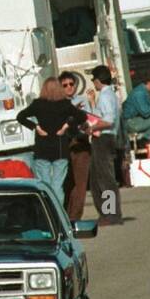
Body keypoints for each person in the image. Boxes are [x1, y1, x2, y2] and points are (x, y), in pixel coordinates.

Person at [17, 76, 88, 200]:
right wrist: (66, 126)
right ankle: (58, 214)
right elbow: (82, 116)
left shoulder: (37, 104)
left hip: (42, 148)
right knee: (57, 185)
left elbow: (20, 116)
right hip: (60, 148)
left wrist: (36, 127)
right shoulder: (65, 104)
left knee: (45, 185)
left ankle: (48, 213)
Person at [88, 65, 123, 225]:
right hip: (104, 138)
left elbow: (108, 120)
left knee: (105, 178)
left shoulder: (106, 95)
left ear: (97, 80)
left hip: (104, 138)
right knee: (96, 179)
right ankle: (104, 212)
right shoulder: (108, 95)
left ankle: (111, 214)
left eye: (93, 79)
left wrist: (92, 127)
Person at [60, 72, 93, 221]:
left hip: (80, 143)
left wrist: (91, 104)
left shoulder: (82, 100)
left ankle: (74, 218)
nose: (69, 88)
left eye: (71, 84)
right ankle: (64, 215)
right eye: (65, 85)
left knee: (80, 184)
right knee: (66, 184)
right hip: (65, 145)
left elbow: (92, 120)